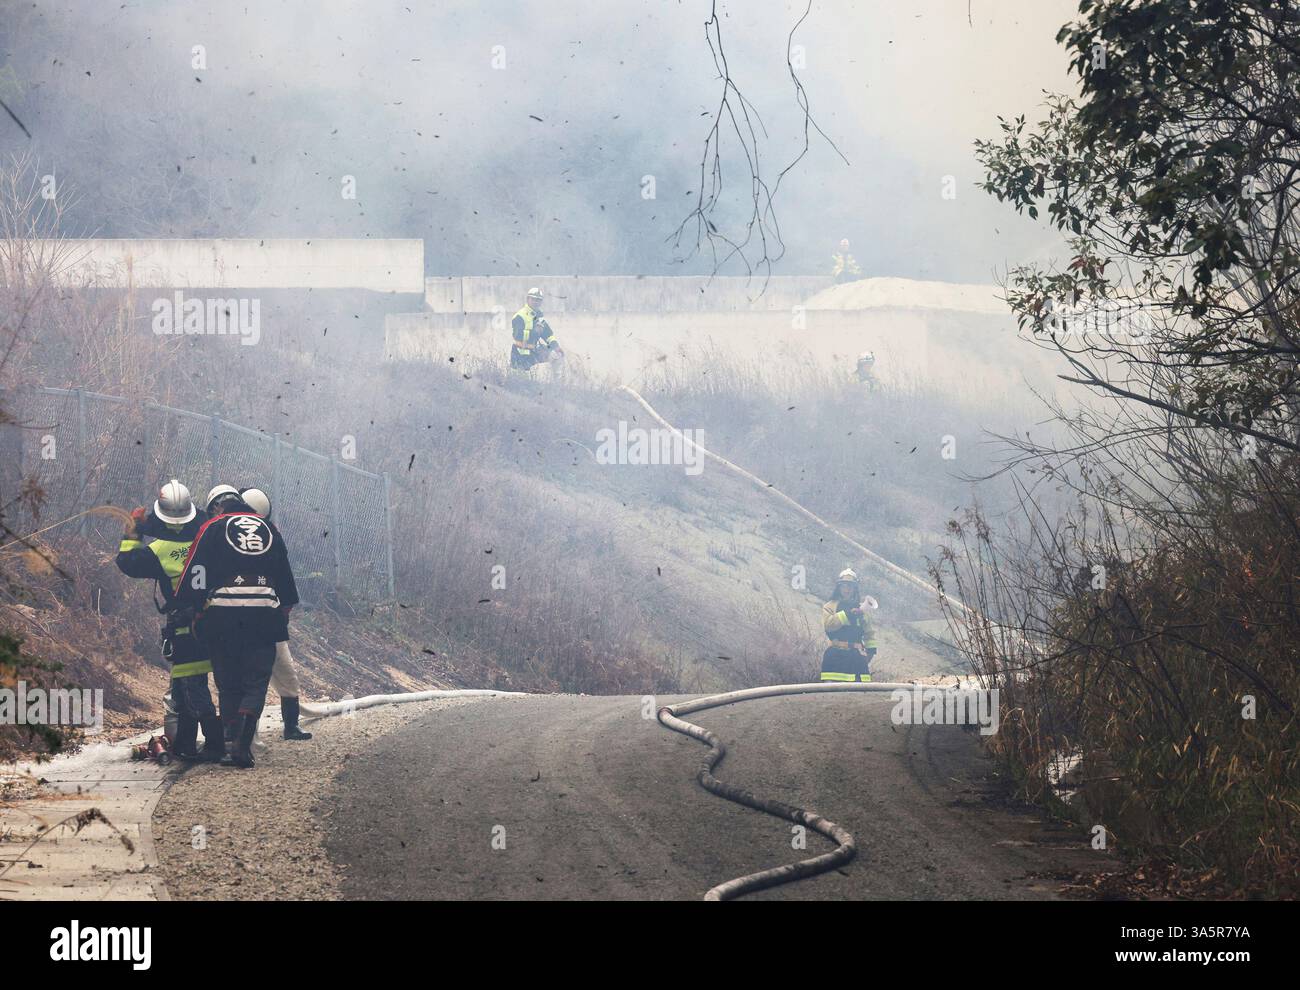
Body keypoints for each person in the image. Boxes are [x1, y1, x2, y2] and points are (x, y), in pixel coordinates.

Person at [175, 486, 299, 768]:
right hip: (264, 618)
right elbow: (287, 586)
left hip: (222, 617)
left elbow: (195, 573)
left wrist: (193, 610)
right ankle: (243, 746)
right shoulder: (269, 529)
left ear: (218, 509)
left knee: (228, 681)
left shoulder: (212, 527)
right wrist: (281, 615)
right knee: (256, 681)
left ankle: (233, 745)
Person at [115, 479, 223, 762]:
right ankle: (186, 744)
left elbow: (127, 561)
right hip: (214, 621)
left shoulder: (159, 549)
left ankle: (213, 744)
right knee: (185, 685)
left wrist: (133, 531)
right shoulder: (208, 540)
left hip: (184, 627)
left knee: (191, 684)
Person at [238, 487, 312, 741]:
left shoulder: (267, 535)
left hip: (260, 617)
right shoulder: (264, 535)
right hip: (255, 617)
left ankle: (289, 725)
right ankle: (245, 735)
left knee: (283, 671)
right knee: (251, 677)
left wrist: (283, 609)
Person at [820, 567, 878, 682]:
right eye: (844, 585)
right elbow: (829, 625)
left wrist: (870, 652)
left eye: (850, 586)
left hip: (857, 660)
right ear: (839, 587)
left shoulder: (862, 610)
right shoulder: (830, 606)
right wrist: (848, 615)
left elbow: (869, 634)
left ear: (855, 588)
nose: (847, 589)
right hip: (835, 658)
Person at [509, 286, 562, 372]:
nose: (535, 302)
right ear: (527, 299)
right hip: (519, 354)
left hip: (534, 352)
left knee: (556, 357)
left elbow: (548, 335)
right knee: (521, 380)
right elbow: (517, 336)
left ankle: (557, 384)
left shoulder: (539, 316)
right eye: (533, 299)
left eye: (538, 300)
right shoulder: (519, 316)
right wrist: (534, 332)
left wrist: (556, 347)